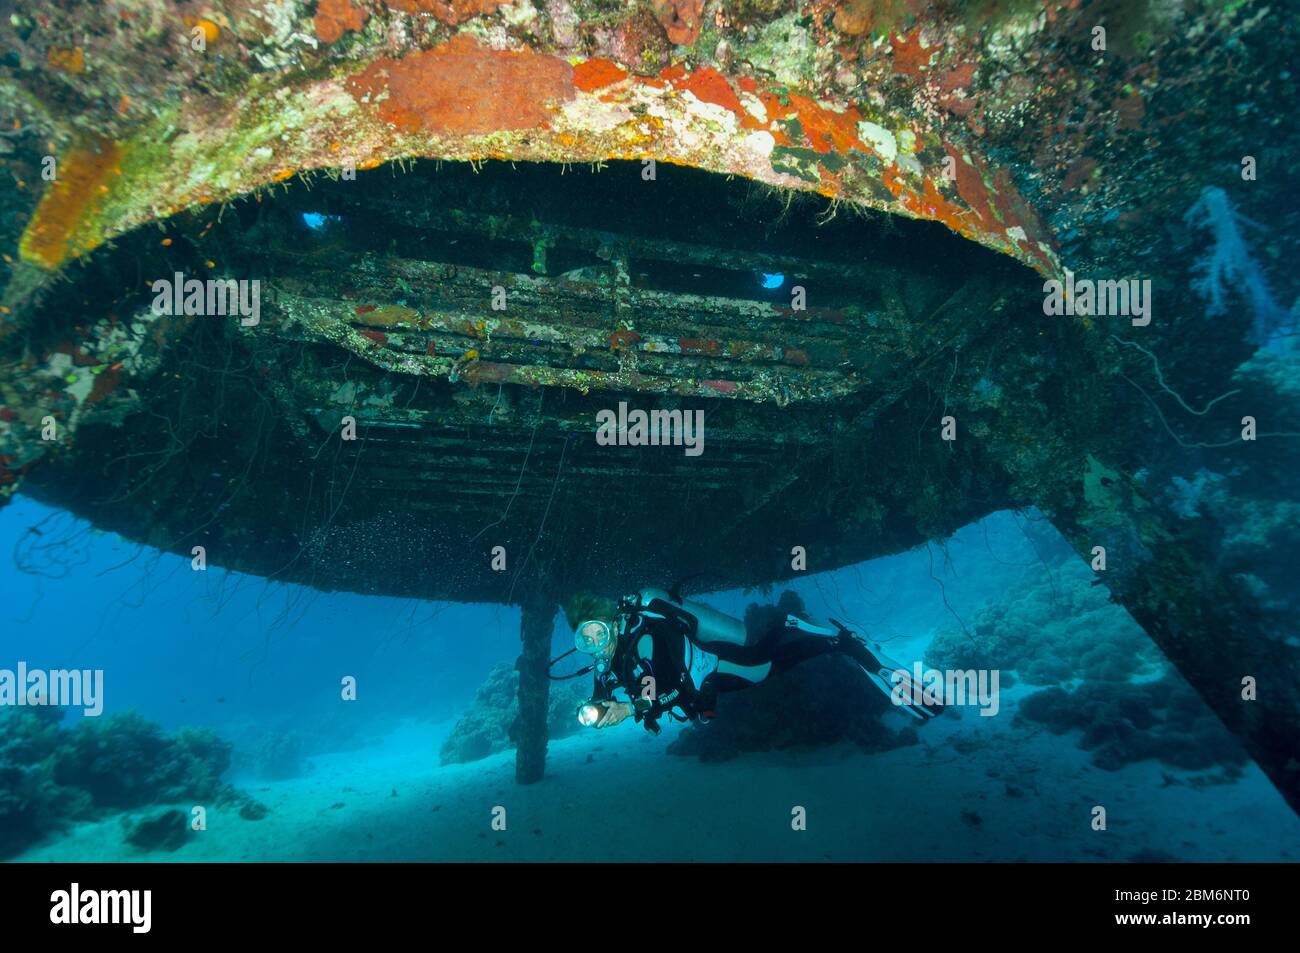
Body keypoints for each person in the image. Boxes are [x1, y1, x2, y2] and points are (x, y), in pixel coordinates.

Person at [564, 587, 940, 733]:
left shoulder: (643, 640)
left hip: (711, 667)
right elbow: (606, 694)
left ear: (612, 624)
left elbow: (666, 685)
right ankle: (790, 626)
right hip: (706, 680)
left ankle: (840, 643)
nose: (595, 644)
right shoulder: (606, 662)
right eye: (585, 639)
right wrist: (596, 709)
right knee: (763, 659)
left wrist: (630, 709)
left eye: (598, 632)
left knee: (764, 668)